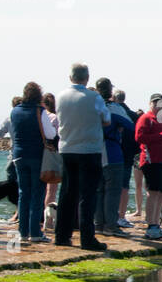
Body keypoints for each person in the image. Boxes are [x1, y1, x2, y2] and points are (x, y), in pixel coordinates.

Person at [54, 63, 111, 250]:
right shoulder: (94, 97)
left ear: (70, 77)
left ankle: (62, 235)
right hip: (89, 149)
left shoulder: (60, 97)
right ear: (87, 78)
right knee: (88, 195)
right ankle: (87, 238)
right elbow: (106, 119)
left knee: (67, 193)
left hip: (67, 148)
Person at [8, 82, 51, 243]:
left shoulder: (15, 111)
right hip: (36, 155)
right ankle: (35, 232)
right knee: (37, 193)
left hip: (18, 155)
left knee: (23, 193)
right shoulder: (40, 111)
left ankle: (22, 231)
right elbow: (50, 133)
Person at [93, 77, 134, 237]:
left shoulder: (92, 106)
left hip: (94, 150)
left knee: (99, 189)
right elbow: (130, 125)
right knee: (113, 190)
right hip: (112, 151)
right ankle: (111, 225)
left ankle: (98, 224)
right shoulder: (114, 108)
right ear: (110, 91)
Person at [135, 94, 162, 239]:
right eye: (156, 103)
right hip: (151, 160)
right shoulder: (146, 118)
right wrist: (160, 136)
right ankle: (151, 225)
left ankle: (156, 224)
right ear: (150, 104)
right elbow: (139, 137)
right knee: (153, 192)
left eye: (161, 103)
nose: (159, 106)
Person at [113, 89, 142, 224]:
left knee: (111, 186)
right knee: (125, 186)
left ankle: (110, 215)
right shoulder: (133, 115)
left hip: (113, 152)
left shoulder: (111, 111)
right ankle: (121, 216)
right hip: (128, 154)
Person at [41, 91, 61, 231]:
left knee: (40, 189)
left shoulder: (41, 116)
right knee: (51, 189)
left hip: (39, 154)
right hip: (52, 154)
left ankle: (40, 218)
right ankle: (48, 221)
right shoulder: (54, 117)